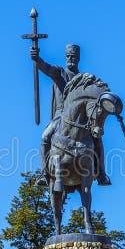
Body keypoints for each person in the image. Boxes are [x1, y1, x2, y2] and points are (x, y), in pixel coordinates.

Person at [31, 43, 111, 186]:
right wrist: (37, 59)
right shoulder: (59, 73)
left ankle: (101, 173)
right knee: (45, 137)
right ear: (65, 57)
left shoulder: (83, 80)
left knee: (97, 138)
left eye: (73, 57)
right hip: (60, 117)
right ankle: (44, 173)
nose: (70, 59)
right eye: (68, 56)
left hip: (81, 121)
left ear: (78, 58)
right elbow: (46, 68)